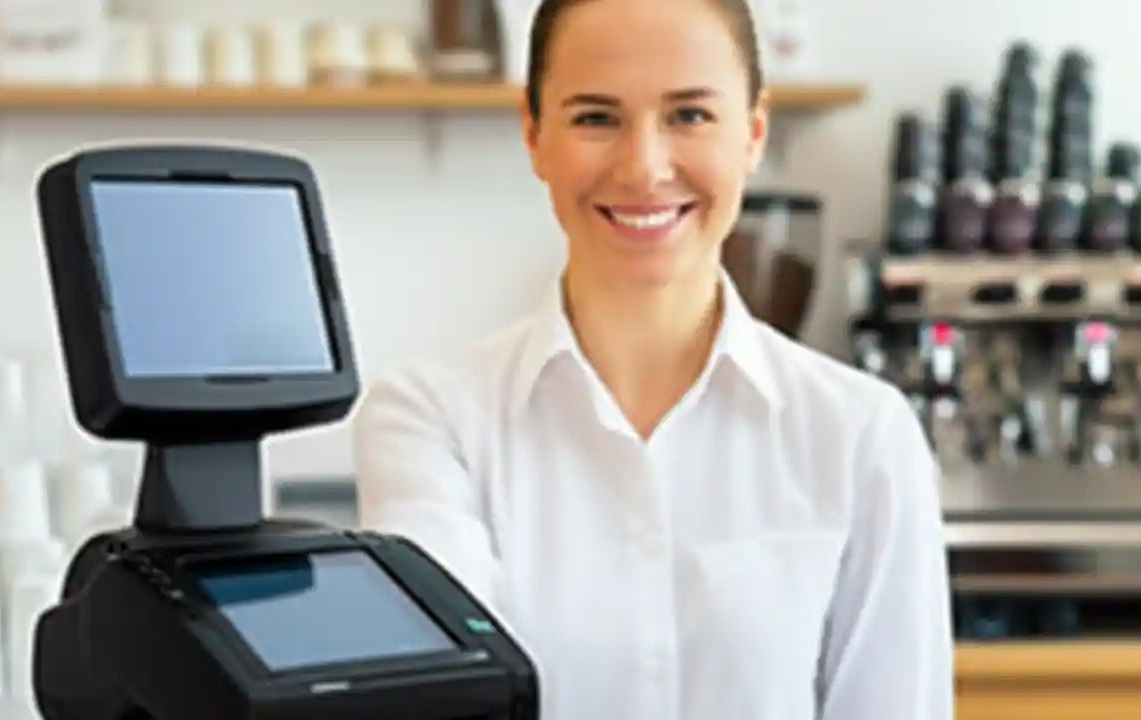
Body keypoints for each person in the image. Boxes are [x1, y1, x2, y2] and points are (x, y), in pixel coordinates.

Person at [351, 0, 954, 717]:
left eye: (690, 116)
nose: (644, 167)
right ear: (534, 135)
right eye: (596, 117)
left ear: (752, 133)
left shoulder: (862, 436)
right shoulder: (429, 421)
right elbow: (448, 701)